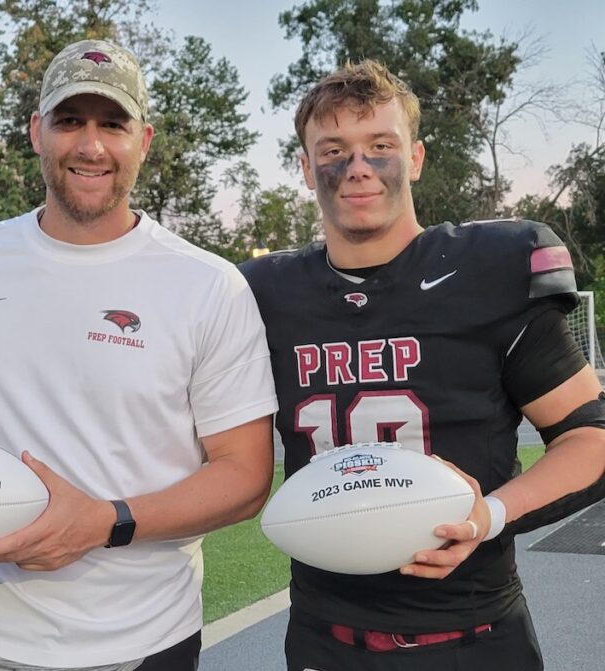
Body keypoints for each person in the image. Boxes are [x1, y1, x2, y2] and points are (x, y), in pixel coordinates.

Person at [0, 39, 278, 670]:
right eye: (70, 121)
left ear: (145, 139)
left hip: (141, 640)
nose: (91, 145)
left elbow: (243, 477)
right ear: (36, 132)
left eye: (113, 124)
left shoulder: (207, 283)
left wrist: (105, 521)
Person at [241, 59, 605, 671]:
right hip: (322, 639)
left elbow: (589, 438)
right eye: (333, 149)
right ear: (305, 168)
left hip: (474, 637)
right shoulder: (260, 293)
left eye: (380, 145)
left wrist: (488, 514)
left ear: (414, 158)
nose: (357, 167)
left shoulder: (489, 270)